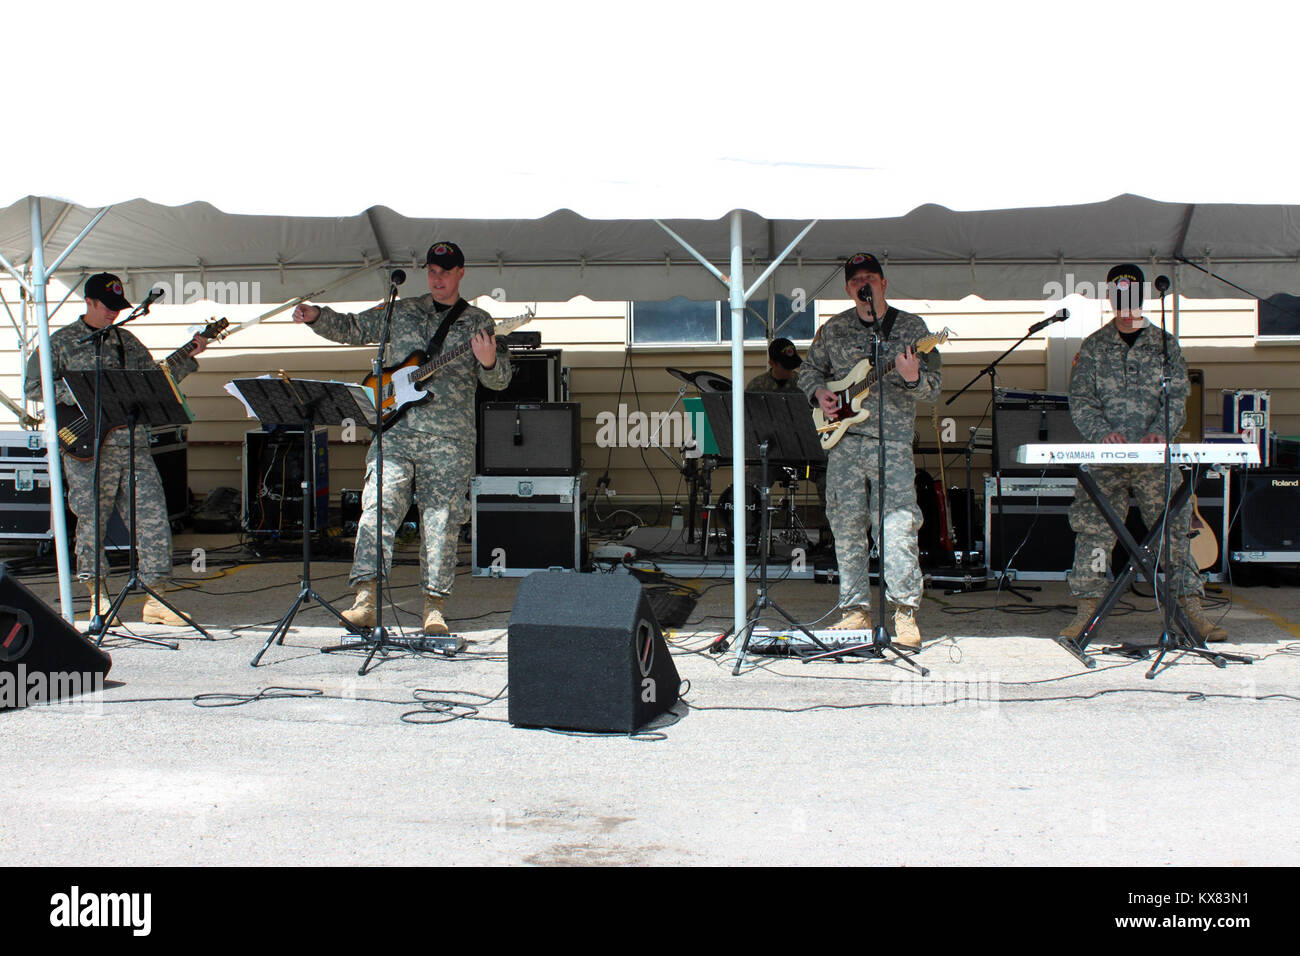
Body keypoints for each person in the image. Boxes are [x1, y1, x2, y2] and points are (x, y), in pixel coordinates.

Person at [294, 242, 512, 636]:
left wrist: (489, 361)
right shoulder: (402, 309)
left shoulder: (479, 321)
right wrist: (316, 316)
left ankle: (434, 607)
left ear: (461, 272)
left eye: (446, 271)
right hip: (394, 432)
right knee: (377, 510)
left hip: (449, 440)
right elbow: (353, 327)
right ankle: (365, 599)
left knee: (441, 521)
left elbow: (501, 380)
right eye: (432, 270)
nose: (437, 278)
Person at [24, 272, 208, 625]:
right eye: (107, 307)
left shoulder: (127, 341)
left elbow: (156, 380)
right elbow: (35, 388)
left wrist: (189, 355)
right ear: (89, 302)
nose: (114, 314)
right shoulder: (61, 343)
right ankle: (99, 596)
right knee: (92, 521)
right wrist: (82, 395)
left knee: (153, 519)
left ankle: (157, 598)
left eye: (118, 308)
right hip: (89, 448)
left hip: (133, 446)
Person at [1062, 264, 1225, 642]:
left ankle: (1192, 612)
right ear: (1109, 298)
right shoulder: (1093, 346)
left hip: (1155, 460)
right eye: (1118, 296)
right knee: (1094, 533)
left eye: (1132, 296)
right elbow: (1081, 400)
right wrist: (1102, 433)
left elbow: (1178, 397)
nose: (1125, 304)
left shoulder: (1166, 345)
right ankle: (1087, 613)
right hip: (1106, 461)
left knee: (1176, 530)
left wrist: (1159, 432)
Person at [799, 253, 942, 646]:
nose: (864, 284)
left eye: (871, 278)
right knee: (846, 527)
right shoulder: (833, 329)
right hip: (844, 442)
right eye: (856, 280)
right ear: (849, 288)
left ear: (883, 283)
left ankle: (904, 613)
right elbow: (808, 370)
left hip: (891, 444)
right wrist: (820, 392)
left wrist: (913, 378)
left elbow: (934, 389)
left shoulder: (913, 328)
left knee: (897, 527)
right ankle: (854, 610)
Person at [745, 338, 830, 550]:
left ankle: (831, 539)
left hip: (804, 454)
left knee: (829, 476)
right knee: (751, 481)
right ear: (772, 363)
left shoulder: (805, 385)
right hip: (772, 457)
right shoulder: (756, 386)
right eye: (785, 366)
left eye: (793, 366)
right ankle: (750, 535)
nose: (790, 371)